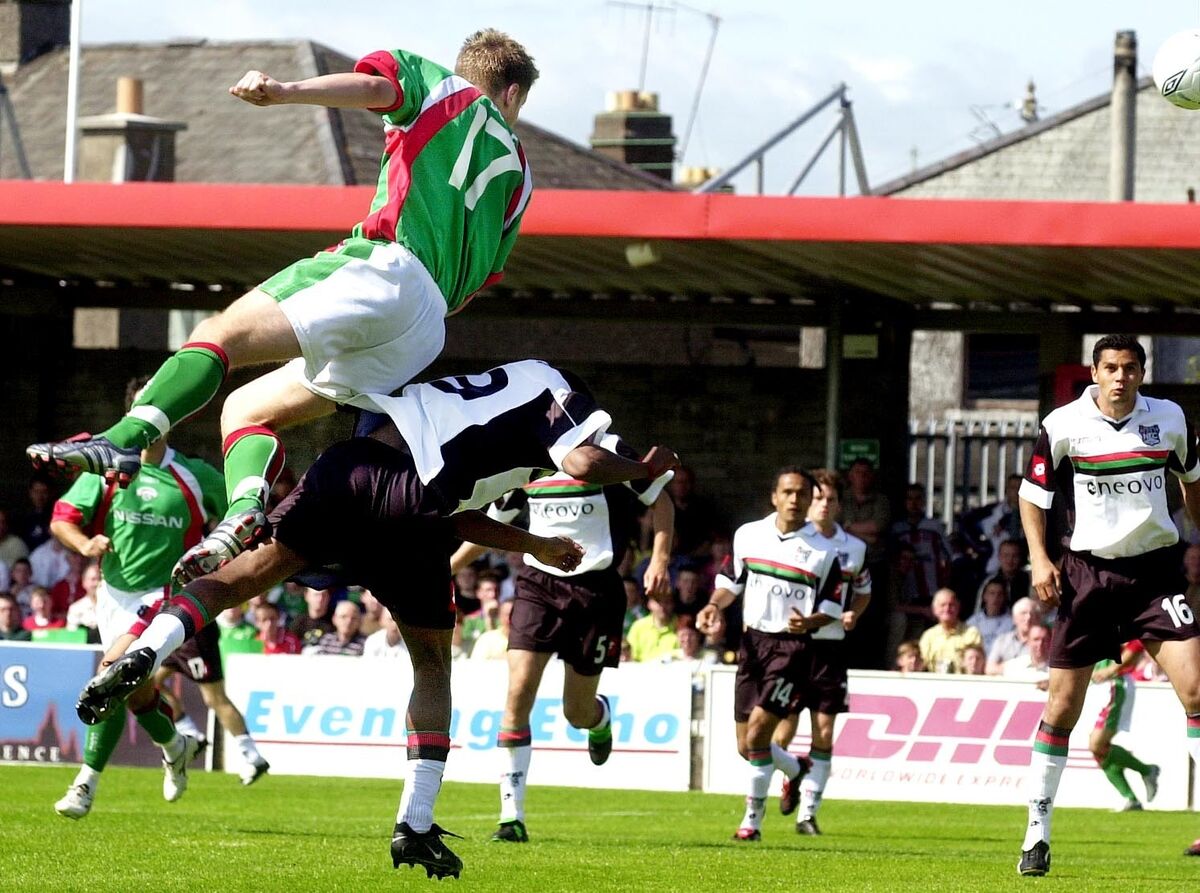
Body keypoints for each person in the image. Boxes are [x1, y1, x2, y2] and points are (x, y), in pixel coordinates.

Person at [73, 358, 679, 880]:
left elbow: (463, 515)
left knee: (245, 577)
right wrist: (643, 470)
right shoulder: (557, 394)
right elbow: (581, 460)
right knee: (433, 663)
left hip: (347, 467)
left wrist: (530, 543)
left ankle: (150, 647)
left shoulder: (470, 397)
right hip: (414, 502)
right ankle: (415, 823)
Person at [27, 29, 540, 590]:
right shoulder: (520, 176)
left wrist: (286, 89)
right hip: (427, 326)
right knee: (246, 409)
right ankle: (243, 514)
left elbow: (374, 86)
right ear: (513, 93)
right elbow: (482, 279)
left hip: (386, 265)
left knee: (220, 332)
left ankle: (123, 440)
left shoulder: (443, 86)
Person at [1015, 334, 1200, 877]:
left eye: (1131, 368)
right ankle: (1036, 834)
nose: (1121, 377)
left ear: (1143, 373)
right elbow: (1032, 495)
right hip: (1086, 576)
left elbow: (1191, 481)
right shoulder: (1062, 425)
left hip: (1155, 574)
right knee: (1061, 709)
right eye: (1111, 368)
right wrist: (1039, 558)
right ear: (1094, 372)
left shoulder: (1169, 418)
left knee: (1196, 688)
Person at [48, 378, 267, 817]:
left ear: (170, 417)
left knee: (110, 672)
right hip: (112, 595)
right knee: (135, 693)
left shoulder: (193, 474)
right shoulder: (110, 470)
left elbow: (245, 511)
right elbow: (62, 520)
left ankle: (84, 785)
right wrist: (85, 544)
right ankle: (175, 745)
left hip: (164, 594)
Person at [448, 430, 673, 842]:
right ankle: (510, 817)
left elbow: (660, 499)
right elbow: (493, 528)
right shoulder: (527, 457)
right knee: (518, 691)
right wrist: (443, 568)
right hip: (538, 586)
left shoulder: (614, 450)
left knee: (576, 712)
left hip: (596, 591)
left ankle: (598, 718)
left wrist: (659, 560)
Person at [696, 467, 841, 842]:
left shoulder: (824, 552)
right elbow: (730, 583)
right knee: (747, 746)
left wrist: (810, 621)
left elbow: (833, 607)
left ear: (810, 501)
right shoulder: (749, 535)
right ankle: (795, 769)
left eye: (802, 494)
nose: (795, 500)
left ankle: (752, 822)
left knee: (760, 732)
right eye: (788, 492)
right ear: (774, 496)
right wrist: (713, 605)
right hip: (752, 645)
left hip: (793, 650)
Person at [770, 468, 871, 836]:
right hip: (793, 646)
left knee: (824, 732)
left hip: (830, 650)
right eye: (818, 498)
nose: (824, 505)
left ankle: (808, 813)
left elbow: (863, 590)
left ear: (840, 505)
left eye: (831, 499)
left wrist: (852, 614)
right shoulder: (793, 542)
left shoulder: (854, 548)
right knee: (780, 728)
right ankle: (789, 775)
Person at [1090, 640, 1159, 812]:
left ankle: (1147, 770)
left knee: (1096, 744)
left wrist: (1112, 669)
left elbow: (1137, 641)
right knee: (1099, 749)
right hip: (1101, 685)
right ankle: (1131, 798)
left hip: (1116, 684)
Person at [918, 588, 982, 674]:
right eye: (943, 605)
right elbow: (922, 664)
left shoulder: (971, 633)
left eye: (951, 605)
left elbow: (976, 665)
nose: (947, 609)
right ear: (934, 610)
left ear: (958, 607)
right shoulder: (928, 636)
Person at [985, 596, 1042, 676]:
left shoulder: (1044, 641)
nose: (1028, 617)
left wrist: (1002, 666)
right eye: (1023, 613)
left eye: (1032, 614)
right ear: (1014, 618)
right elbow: (989, 669)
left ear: (1039, 619)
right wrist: (1014, 667)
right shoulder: (1002, 640)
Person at [627, 590, 680, 662]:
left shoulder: (681, 625)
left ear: (673, 604)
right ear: (649, 604)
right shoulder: (638, 627)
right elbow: (630, 657)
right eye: (658, 601)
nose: (663, 606)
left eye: (667, 602)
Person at [966, 578, 1015, 657]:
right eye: (992, 593)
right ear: (984, 596)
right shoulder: (973, 622)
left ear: (1004, 597)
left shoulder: (1012, 623)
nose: (996, 598)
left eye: (1000, 594)